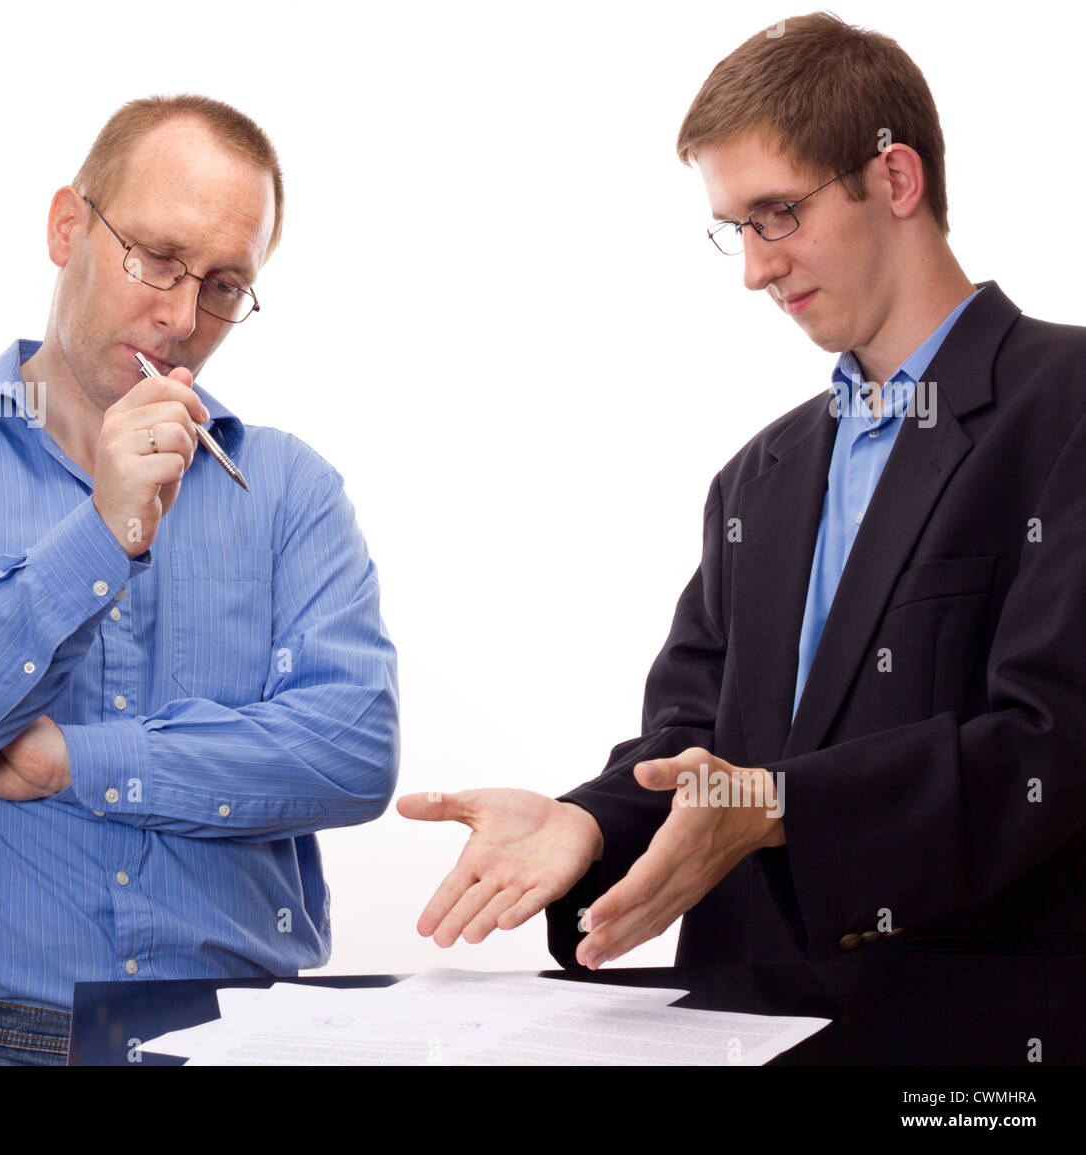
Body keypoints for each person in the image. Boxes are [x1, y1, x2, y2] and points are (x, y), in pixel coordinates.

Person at [399, 13, 1086, 1062]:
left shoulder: (1065, 405)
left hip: (970, 1049)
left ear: (894, 180)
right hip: (744, 1029)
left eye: (777, 215)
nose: (755, 270)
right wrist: (585, 823)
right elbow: (691, 744)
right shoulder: (758, 476)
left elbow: (1056, 747)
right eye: (736, 228)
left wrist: (778, 809)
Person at [0, 94, 399, 1066]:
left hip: (232, 1040)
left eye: (222, 285)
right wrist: (99, 534)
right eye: (157, 258)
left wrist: (74, 764)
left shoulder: (289, 488)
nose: (179, 317)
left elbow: (349, 753)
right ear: (67, 227)